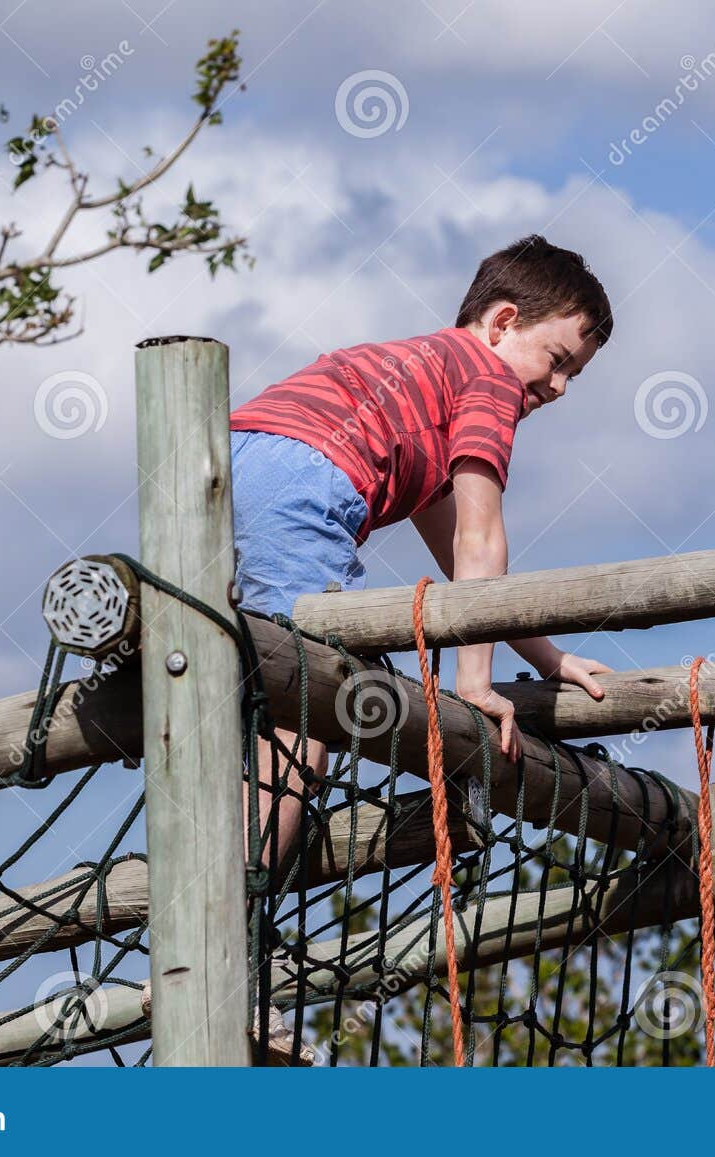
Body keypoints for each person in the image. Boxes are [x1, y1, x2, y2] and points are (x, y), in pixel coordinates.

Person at [227, 235, 617, 1061]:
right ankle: (218, 965)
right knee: (303, 721)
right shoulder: (482, 381)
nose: (556, 386)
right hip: (306, 483)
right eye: (555, 360)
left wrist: (549, 660)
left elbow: (451, 558)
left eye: (573, 376)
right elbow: (480, 539)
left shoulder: (422, 374)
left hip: (234, 463)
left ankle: (207, 944)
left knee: (239, 700)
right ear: (504, 320)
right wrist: (475, 682)